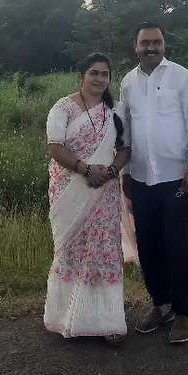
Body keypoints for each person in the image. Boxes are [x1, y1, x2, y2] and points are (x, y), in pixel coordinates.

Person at [121, 23, 188, 345]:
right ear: (136, 46)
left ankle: (185, 313)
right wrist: (126, 173)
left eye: (156, 42)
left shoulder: (182, 77)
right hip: (141, 176)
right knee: (148, 245)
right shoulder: (128, 82)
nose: (151, 47)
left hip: (176, 176)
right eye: (145, 42)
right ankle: (162, 304)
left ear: (164, 44)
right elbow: (126, 130)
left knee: (176, 245)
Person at [44, 53, 130, 345]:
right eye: (94, 73)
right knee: (72, 250)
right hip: (70, 189)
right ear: (83, 74)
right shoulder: (63, 107)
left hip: (104, 189)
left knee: (103, 252)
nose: (100, 79)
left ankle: (108, 321)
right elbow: (56, 147)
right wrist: (84, 169)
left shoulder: (116, 109)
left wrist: (111, 171)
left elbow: (124, 147)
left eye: (105, 74)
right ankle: (68, 317)